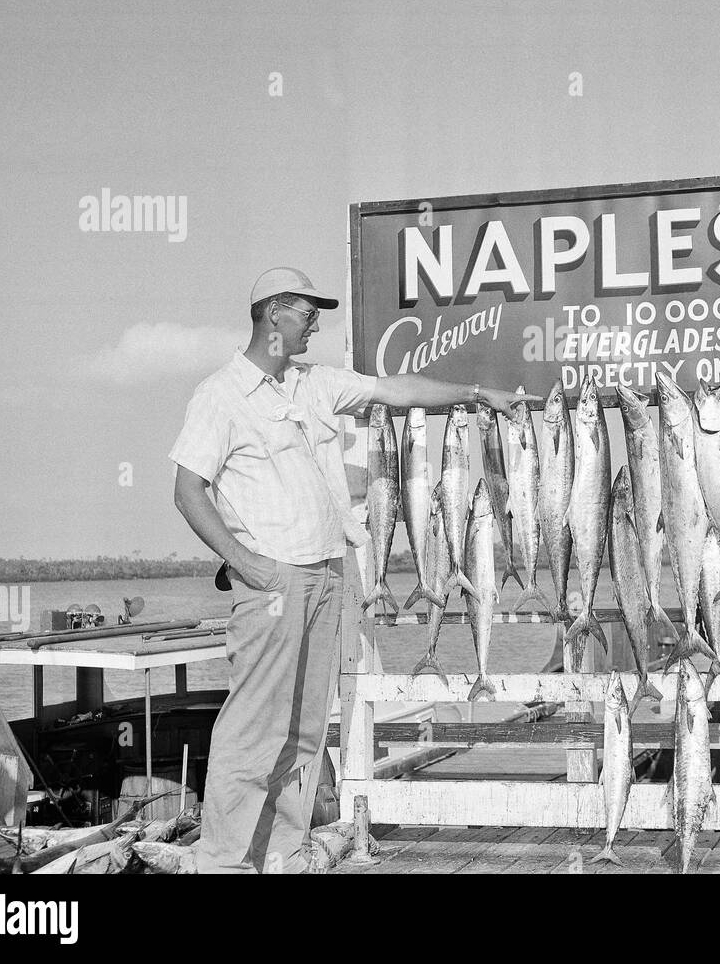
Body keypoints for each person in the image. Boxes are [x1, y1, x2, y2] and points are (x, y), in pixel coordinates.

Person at [170, 266, 540, 873]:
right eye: (307, 312)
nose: (316, 321)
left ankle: (285, 853)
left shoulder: (315, 384)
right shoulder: (221, 395)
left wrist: (476, 395)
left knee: (305, 727)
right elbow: (188, 490)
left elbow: (395, 390)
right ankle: (223, 862)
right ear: (271, 314)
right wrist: (247, 564)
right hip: (274, 584)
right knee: (253, 726)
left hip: (326, 575)